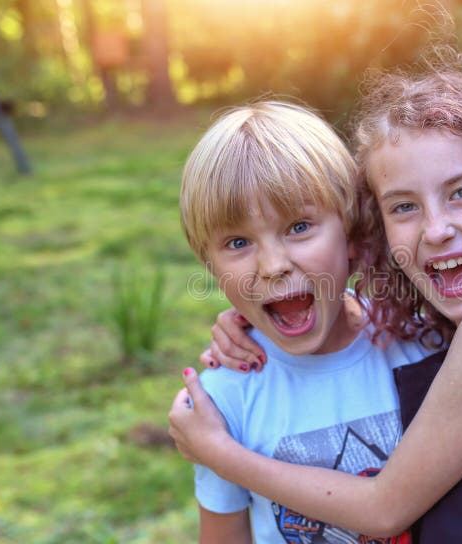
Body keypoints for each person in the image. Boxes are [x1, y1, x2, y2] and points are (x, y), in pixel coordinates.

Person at [169, 49, 462, 543]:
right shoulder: (231, 395)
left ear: (358, 239)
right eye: (404, 206)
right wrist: (245, 317)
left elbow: (385, 510)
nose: (272, 266)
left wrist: (220, 453)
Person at [175, 100, 435, 543]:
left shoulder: (422, 344)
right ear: (212, 267)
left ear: (353, 235)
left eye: (298, 227)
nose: (273, 265)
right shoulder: (223, 401)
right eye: (238, 242)